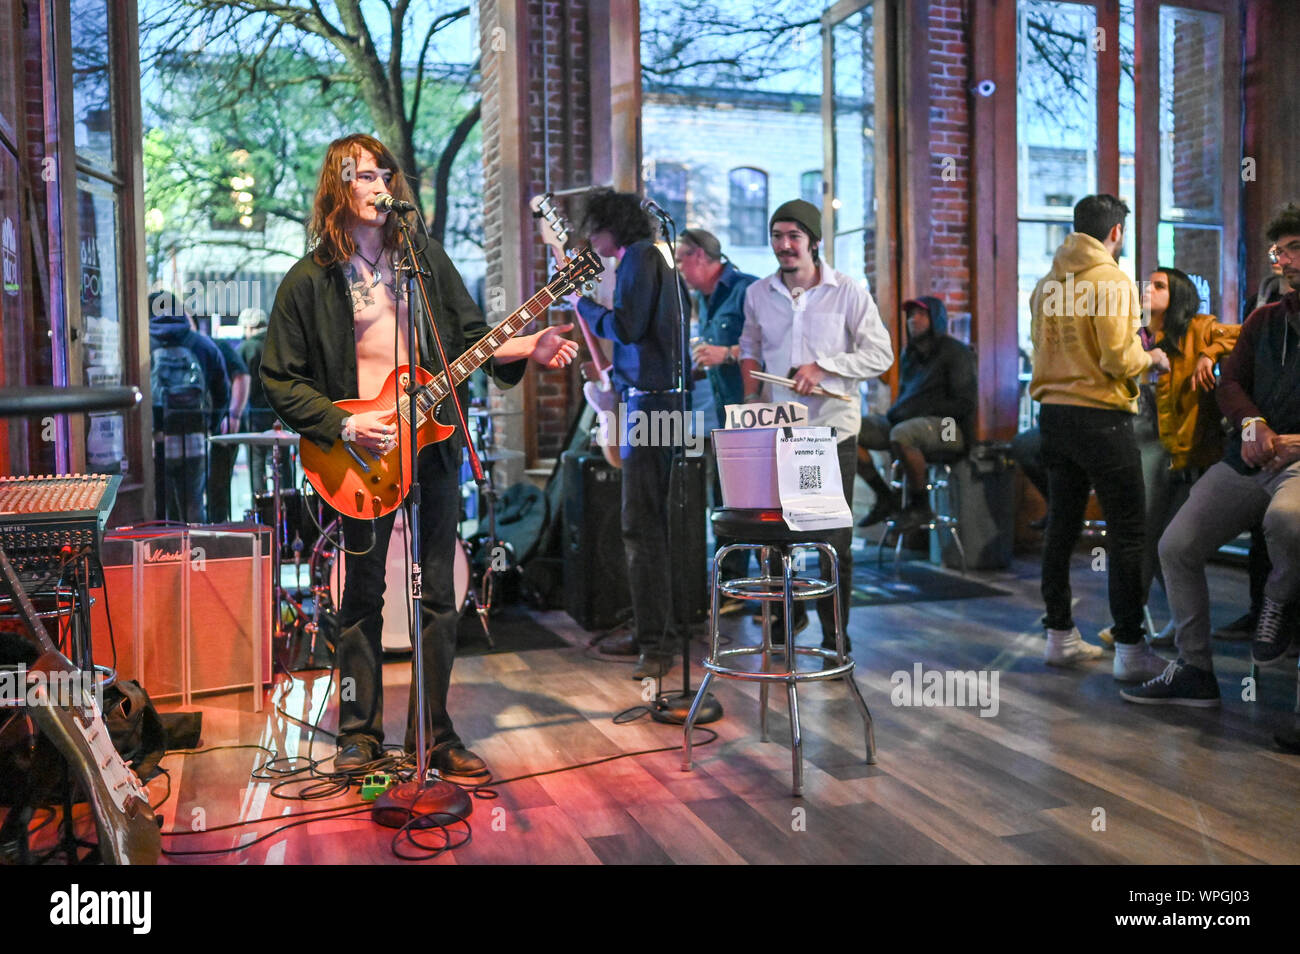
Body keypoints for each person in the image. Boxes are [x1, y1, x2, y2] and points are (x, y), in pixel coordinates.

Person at [261, 134, 577, 772]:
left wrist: (529, 347)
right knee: (363, 596)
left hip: (433, 445)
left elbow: (469, 342)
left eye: (385, 174)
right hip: (357, 453)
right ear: (337, 190)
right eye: (362, 177)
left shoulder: (424, 260)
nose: (379, 186)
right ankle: (359, 734)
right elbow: (279, 377)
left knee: (440, 590)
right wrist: (344, 427)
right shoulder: (310, 279)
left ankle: (434, 731)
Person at [1123, 203, 1300, 707]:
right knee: (1176, 545)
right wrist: (1253, 423)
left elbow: (1214, 339)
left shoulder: (1204, 325)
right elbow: (1233, 385)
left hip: (1296, 461)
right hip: (1250, 456)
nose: (1283, 261)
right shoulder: (1266, 319)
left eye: (1294, 249)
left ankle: (1280, 601)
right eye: (1279, 251)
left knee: (1288, 520)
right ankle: (1195, 669)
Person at [738, 198, 894, 652]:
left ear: (815, 242)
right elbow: (750, 344)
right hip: (776, 426)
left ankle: (836, 639)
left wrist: (823, 367)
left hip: (831, 431)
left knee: (831, 541)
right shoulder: (757, 293)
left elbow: (880, 355)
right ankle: (787, 623)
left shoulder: (848, 291)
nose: (784, 246)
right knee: (776, 535)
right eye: (777, 236)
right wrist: (751, 398)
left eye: (794, 237)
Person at [1028, 193, 1171, 681]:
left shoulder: (1047, 284)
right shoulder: (1110, 279)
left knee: (1061, 527)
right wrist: (1151, 359)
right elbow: (1118, 358)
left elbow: (1042, 349)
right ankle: (1131, 650)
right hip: (1100, 420)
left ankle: (1059, 637)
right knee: (1129, 532)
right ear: (1115, 233)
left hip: (1052, 415)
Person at [572, 189, 688, 680]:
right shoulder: (651, 258)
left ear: (610, 226)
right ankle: (652, 632)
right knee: (650, 525)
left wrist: (582, 305)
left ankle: (656, 645)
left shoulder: (639, 258)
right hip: (659, 401)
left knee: (642, 527)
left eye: (593, 228)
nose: (589, 238)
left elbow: (628, 326)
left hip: (654, 405)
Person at [678, 228, 759, 614]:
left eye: (681, 259)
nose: (679, 268)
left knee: (756, 508)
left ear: (700, 257)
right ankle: (735, 590)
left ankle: (772, 598)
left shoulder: (747, 289)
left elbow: (774, 343)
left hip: (754, 415)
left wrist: (724, 353)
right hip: (722, 415)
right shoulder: (701, 299)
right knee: (726, 502)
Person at [856, 295, 976, 529]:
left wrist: (916, 412)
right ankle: (885, 496)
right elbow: (906, 398)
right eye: (911, 315)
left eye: (921, 314)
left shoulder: (956, 352)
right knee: (849, 429)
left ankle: (921, 506)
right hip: (910, 422)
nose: (914, 319)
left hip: (951, 427)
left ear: (936, 318)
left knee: (904, 433)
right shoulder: (909, 354)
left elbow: (964, 404)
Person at [149, 291, 229, 523]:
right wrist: (211, 424)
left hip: (156, 440)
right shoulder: (203, 345)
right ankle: (196, 552)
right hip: (194, 437)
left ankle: (163, 553)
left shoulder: (141, 345)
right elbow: (222, 391)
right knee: (193, 504)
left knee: (159, 506)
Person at [237, 307, 293, 496]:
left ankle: (261, 509)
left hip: (255, 414)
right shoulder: (282, 346)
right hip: (281, 413)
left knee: (257, 461)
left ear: (249, 327)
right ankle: (288, 505)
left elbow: (243, 382)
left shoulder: (247, 348)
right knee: (283, 461)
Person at [205, 323, 251, 523]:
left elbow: (241, 375)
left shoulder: (215, 345)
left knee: (217, 487)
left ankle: (218, 535)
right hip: (208, 428)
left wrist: (233, 415)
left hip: (222, 428)